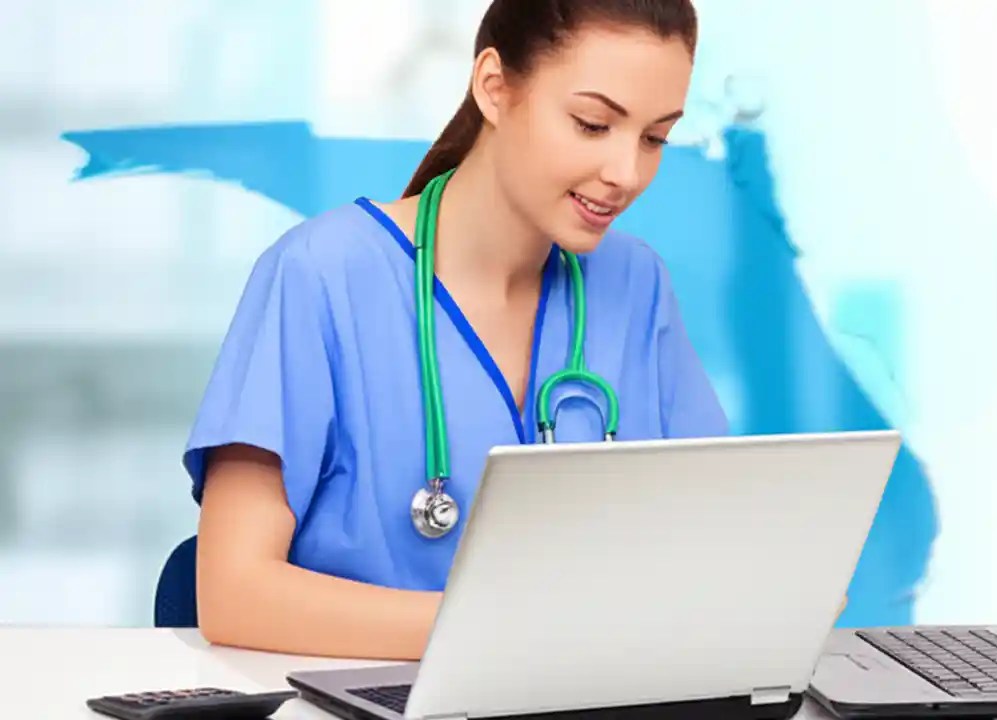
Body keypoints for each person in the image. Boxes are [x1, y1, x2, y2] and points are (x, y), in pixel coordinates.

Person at [184, 0, 729, 661]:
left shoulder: (636, 285)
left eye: (654, 138)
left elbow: (713, 550)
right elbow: (234, 594)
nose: (626, 173)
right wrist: (509, 633)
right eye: (592, 125)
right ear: (495, 87)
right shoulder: (321, 276)